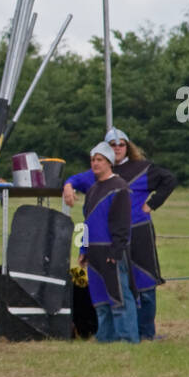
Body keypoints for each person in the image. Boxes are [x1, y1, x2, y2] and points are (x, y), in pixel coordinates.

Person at [63, 126, 176, 340]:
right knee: (113, 286)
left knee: (145, 281)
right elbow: (74, 180)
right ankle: (113, 335)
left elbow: (169, 180)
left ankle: (145, 333)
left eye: (121, 144)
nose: (117, 148)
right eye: (112, 145)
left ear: (127, 146)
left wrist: (151, 204)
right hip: (107, 237)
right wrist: (68, 187)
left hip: (138, 231)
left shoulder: (142, 168)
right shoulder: (98, 173)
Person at [76, 142, 138, 343]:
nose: (95, 163)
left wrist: (116, 250)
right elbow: (86, 221)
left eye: (99, 159)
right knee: (100, 299)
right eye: (93, 159)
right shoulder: (93, 189)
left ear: (109, 162)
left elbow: (122, 224)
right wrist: (83, 248)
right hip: (93, 252)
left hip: (110, 250)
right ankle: (106, 338)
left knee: (118, 296)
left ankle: (127, 338)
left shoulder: (119, 188)